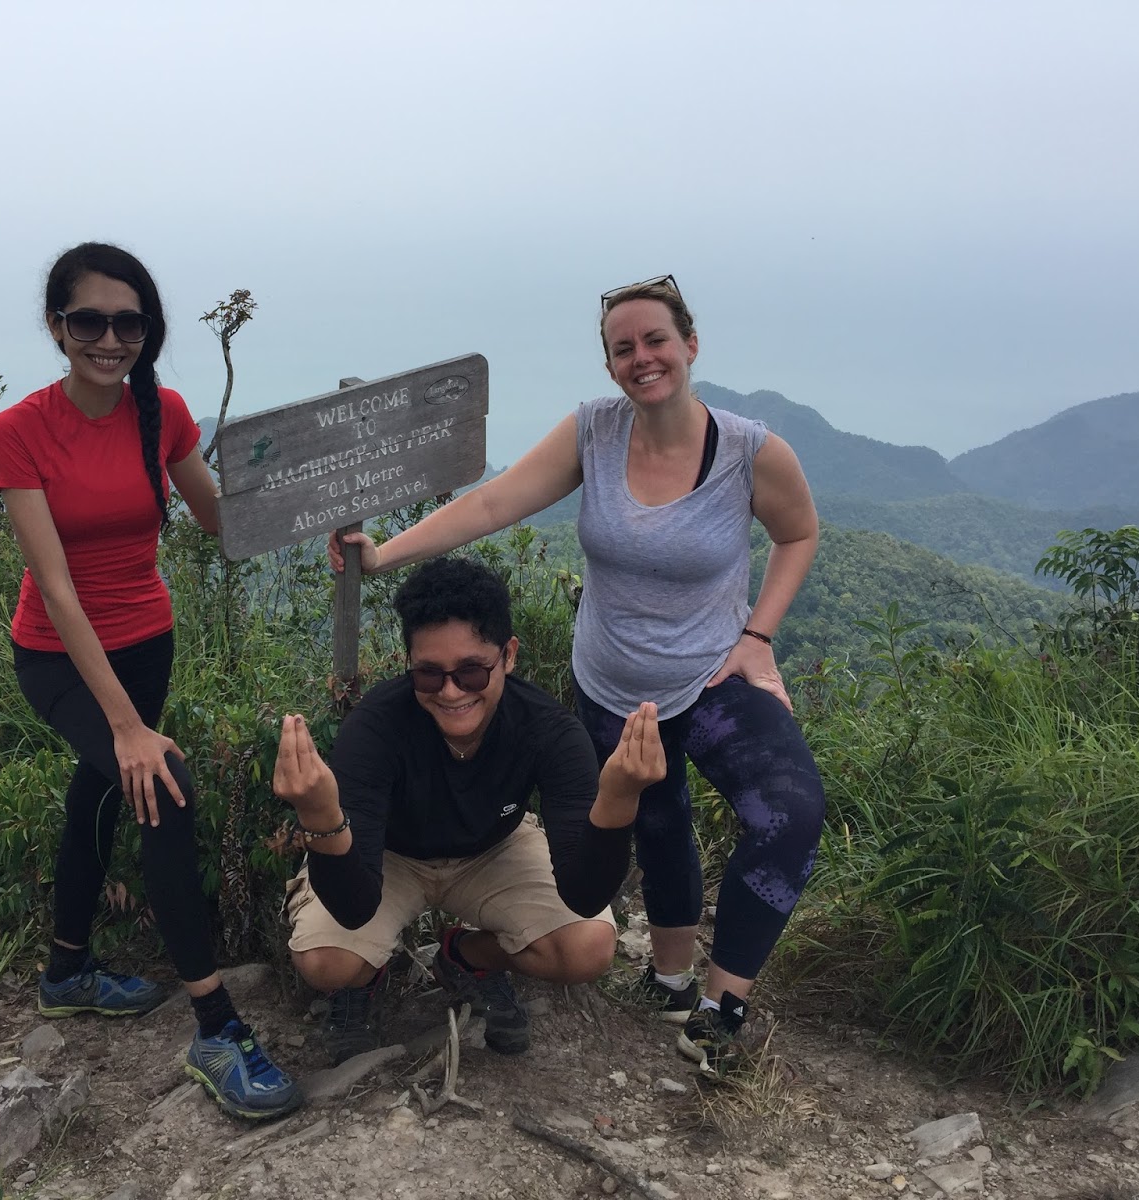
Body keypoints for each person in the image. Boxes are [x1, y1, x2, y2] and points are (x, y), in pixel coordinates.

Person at [329, 274, 826, 1074]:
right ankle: (666, 978)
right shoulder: (594, 433)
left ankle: (720, 1003)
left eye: (656, 340)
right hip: (609, 683)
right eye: (623, 347)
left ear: (690, 345)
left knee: (790, 816)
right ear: (609, 365)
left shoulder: (748, 451)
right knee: (655, 825)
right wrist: (384, 554)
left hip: (712, 675)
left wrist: (759, 633)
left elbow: (799, 534)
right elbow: (495, 505)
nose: (642, 358)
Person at [0, 241, 301, 1120]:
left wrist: (315, 516)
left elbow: (218, 520)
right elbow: (56, 587)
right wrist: (126, 724)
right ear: (57, 327)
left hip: (147, 641)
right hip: (58, 656)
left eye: (129, 322)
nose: (110, 338)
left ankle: (67, 970)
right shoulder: (21, 432)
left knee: (102, 789)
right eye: (90, 320)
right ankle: (215, 1024)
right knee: (162, 787)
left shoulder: (160, 413)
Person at [272, 556, 666, 1064]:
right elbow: (352, 902)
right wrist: (320, 816)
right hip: (388, 855)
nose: (452, 691)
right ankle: (364, 979)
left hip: (494, 845)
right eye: (429, 674)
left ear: (509, 656)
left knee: (587, 947)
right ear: (409, 663)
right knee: (328, 961)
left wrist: (617, 802)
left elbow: (584, 893)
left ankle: (465, 956)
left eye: (472, 671)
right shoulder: (374, 730)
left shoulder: (548, 730)